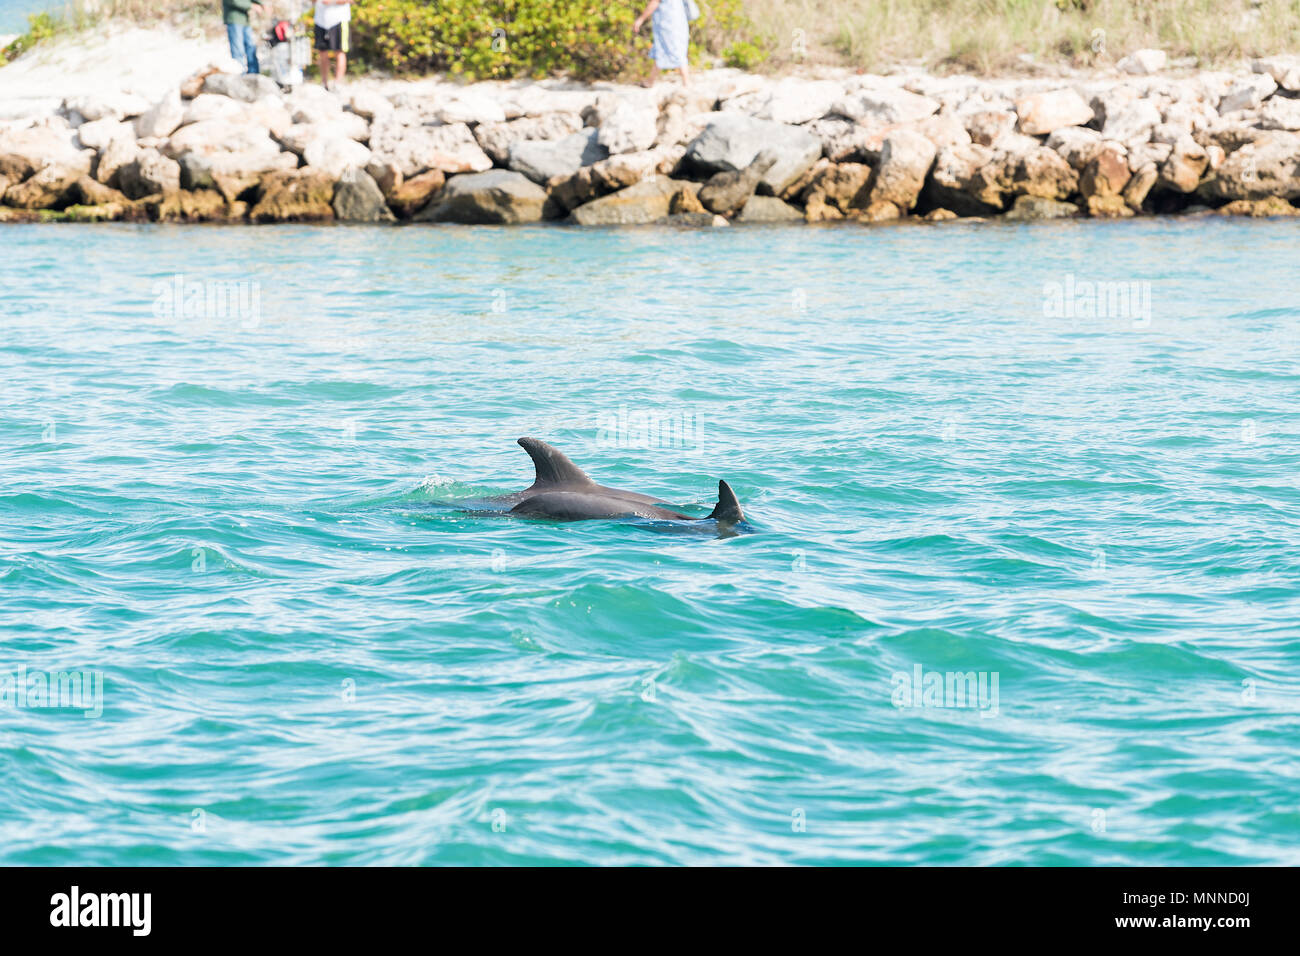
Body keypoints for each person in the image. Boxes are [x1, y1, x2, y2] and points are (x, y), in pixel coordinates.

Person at [633, 0, 690, 87]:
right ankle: (650, 81)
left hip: (668, 23)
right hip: (678, 21)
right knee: (662, 49)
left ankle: (686, 82)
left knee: (675, 51)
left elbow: (655, 2)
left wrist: (640, 19)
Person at [314, 0, 353, 90]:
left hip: (338, 20)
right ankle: (324, 84)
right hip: (320, 21)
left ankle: (337, 84)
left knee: (339, 52)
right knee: (322, 53)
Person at [222, 0, 267, 75]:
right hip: (234, 19)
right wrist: (252, 6)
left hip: (245, 20)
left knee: (251, 47)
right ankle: (240, 77)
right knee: (238, 50)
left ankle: (254, 75)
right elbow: (233, 1)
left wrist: (262, 4)